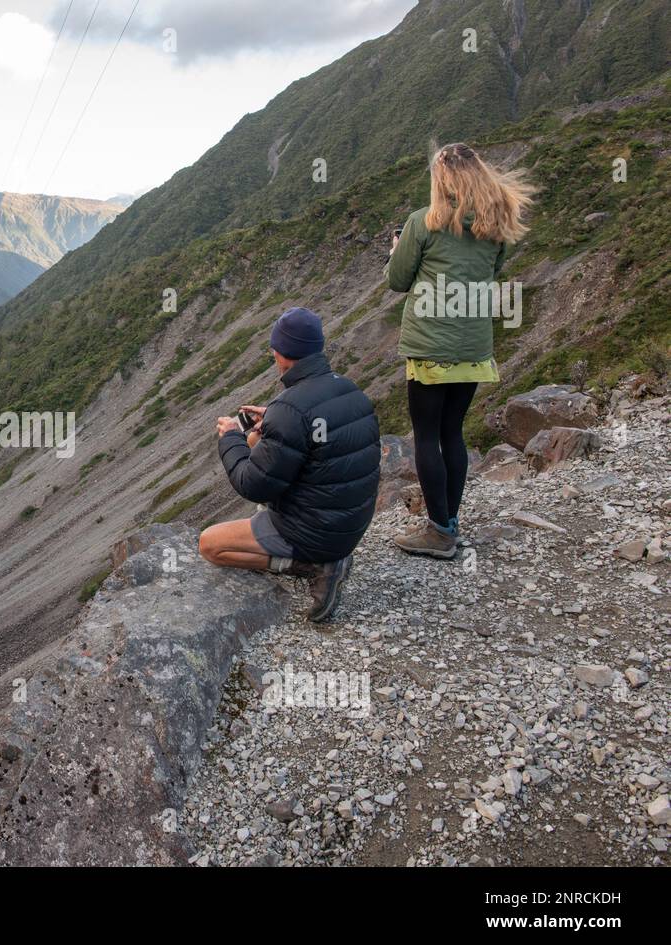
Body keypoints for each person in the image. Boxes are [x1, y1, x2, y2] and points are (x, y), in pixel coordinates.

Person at [387, 142, 535, 558]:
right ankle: (449, 523)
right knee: (453, 432)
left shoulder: (422, 224)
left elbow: (398, 280)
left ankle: (439, 533)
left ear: (443, 181)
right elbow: (490, 272)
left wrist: (397, 250)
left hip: (431, 347)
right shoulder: (497, 228)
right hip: (473, 347)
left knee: (426, 436)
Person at [199, 308, 381, 623]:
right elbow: (318, 433)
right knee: (264, 449)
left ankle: (315, 566)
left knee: (210, 545)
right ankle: (328, 556)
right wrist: (273, 418)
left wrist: (231, 438)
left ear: (281, 355)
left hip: (316, 532)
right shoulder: (350, 389)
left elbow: (251, 485)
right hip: (350, 523)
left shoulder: (290, 410)